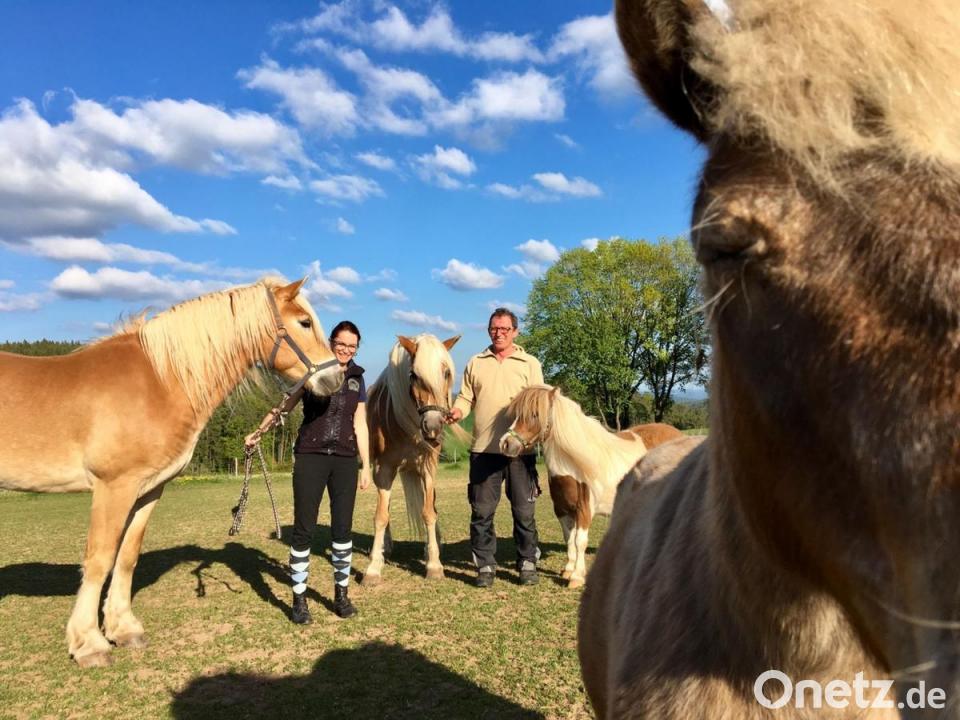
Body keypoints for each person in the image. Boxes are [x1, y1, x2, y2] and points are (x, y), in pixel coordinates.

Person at [245, 320, 372, 623]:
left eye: (352, 346)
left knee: (343, 530)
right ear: (331, 342)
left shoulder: (358, 378)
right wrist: (259, 432)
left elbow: (360, 424)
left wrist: (366, 465)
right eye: (341, 344)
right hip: (310, 457)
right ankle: (299, 600)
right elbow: (285, 406)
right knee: (303, 529)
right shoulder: (311, 372)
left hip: (344, 460)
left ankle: (341, 596)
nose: (345, 350)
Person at [446, 308, 544, 587]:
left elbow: (538, 404)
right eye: (493, 328)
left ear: (515, 331)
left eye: (504, 329)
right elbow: (466, 398)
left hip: (520, 452)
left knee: (524, 512)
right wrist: (456, 412)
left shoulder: (530, 363)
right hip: (484, 451)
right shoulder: (476, 362)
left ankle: (527, 562)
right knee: (482, 513)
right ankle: (485, 566)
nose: (498, 333)